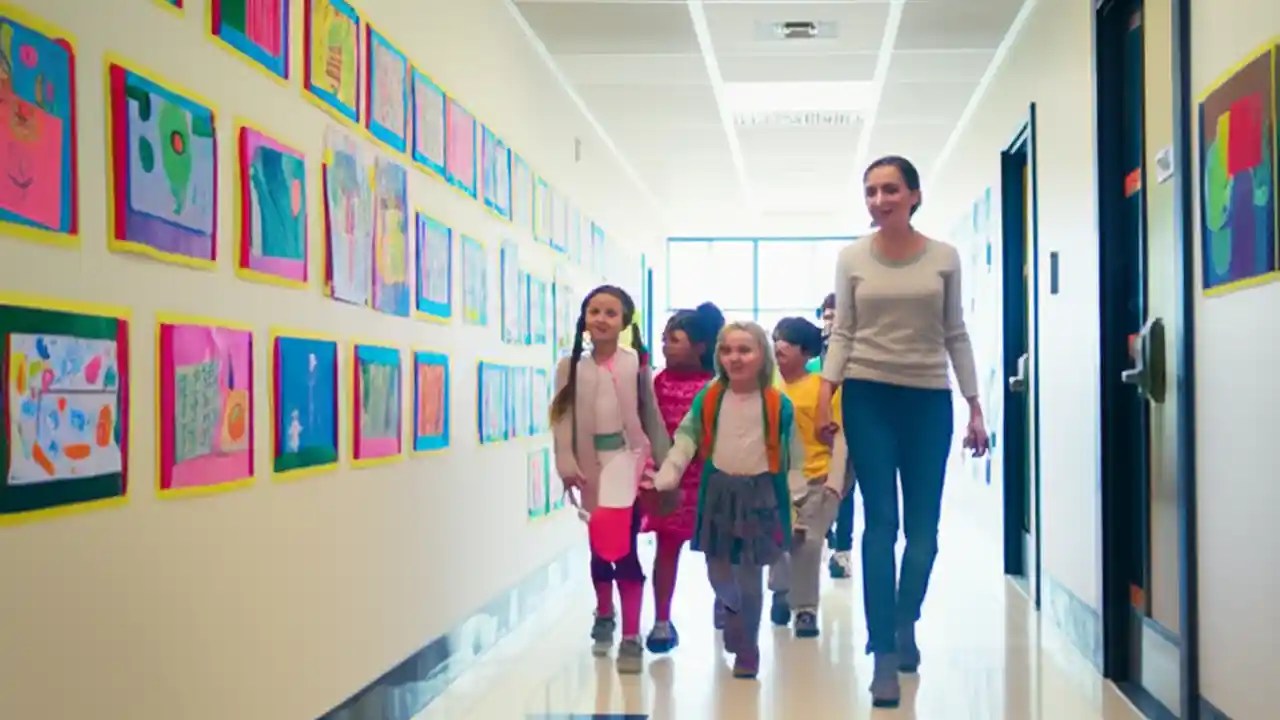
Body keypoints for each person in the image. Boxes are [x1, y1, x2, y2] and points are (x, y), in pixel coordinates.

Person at [815, 155, 990, 708]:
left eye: (890, 189)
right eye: (870, 191)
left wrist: (975, 408)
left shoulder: (943, 257)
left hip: (927, 399)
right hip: (867, 394)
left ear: (914, 195)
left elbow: (955, 332)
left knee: (924, 532)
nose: (879, 200)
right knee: (879, 525)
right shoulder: (850, 258)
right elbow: (843, 332)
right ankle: (883, 655)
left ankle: (903, 618)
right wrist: (826, 397)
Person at [643, 322, 805, 679]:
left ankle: (749, 647)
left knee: (750, 576)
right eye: (727, 350)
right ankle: (731, 609)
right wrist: (669, 472)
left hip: (761, 495)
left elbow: (794, 454)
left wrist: (796, 497)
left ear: (762, 355)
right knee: (718, 570)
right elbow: (687, 435)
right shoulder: (711, 397)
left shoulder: (779, 404)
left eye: (745, 350)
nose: (735, 357)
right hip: (717, 491)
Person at [551, 285, 671, 674]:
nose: (601, 319)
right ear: (584, 317)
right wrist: (565, 462)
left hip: (628, 466)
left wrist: (661, 466)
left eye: (610, 313)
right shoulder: (569, 367)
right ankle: (605, 611)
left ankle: (632, 635)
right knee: (601, 548)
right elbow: (563, 420)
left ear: (624, 321)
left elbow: (650, 416)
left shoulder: (635, 363)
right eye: (594, 311)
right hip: (589, 469)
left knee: (626, 549)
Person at [642, 302, 725, 654]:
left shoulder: (716, 387)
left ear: (700, 346)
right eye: (664, 339)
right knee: (666, 549)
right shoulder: (657, 383)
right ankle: (662, 621)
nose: (666, 346)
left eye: (674, 339)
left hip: (708, 481)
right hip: (670, 480)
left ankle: (726, 607)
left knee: (718, 553)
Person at [764, 317, 851, 638]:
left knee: (809, 544)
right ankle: (780, 591)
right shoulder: (767, 390)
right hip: (777, 481)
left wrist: (835, 483)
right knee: (780, 542)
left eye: (787, 340)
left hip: (818, 478)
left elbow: (840, 437)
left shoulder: (822, 389)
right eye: (776, 337)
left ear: (807, 351)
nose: (779, 345)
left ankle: (806, 610)